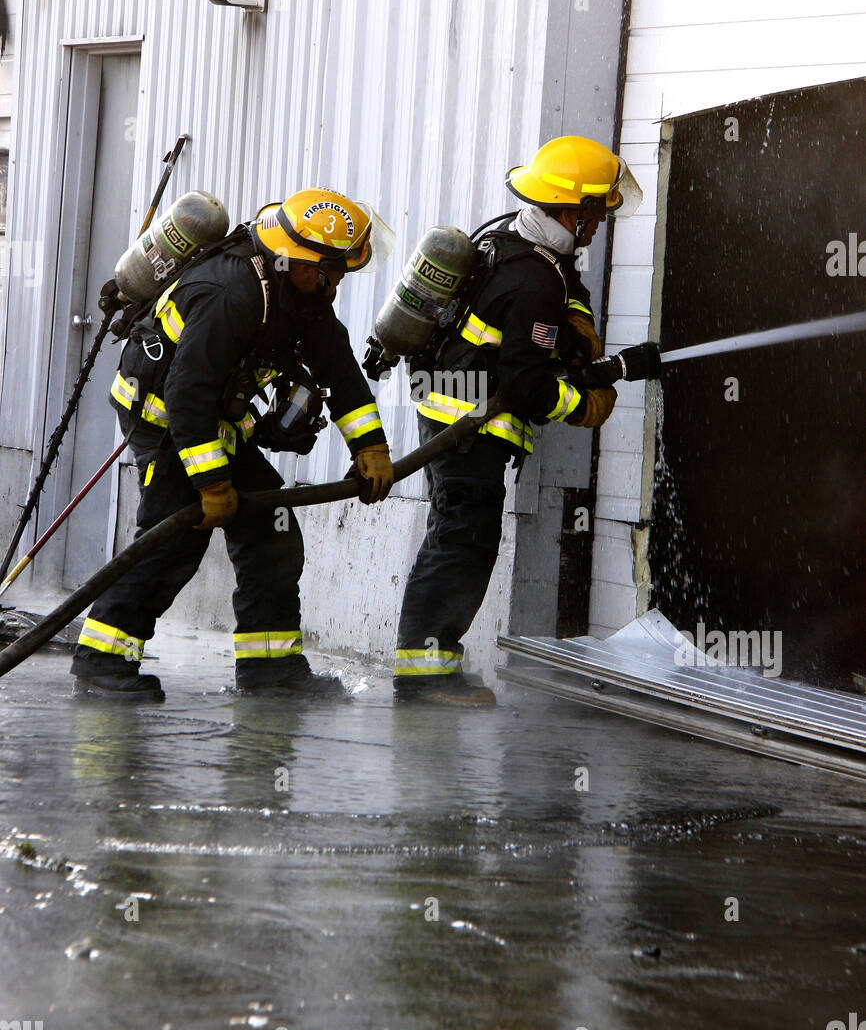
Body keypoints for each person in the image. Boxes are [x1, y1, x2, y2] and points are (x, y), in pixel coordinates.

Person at [71, 189, 395, 702]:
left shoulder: (298, 294)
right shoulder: (234, 294)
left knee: (272, 532)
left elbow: (340, 372)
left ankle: (271, 672)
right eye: (334, 271)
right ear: (304, 263)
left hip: (212, 421)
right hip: (163, 419)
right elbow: (186, 393)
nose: (338, 284)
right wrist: (212, 483)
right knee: (173, 537)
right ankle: (102, 660)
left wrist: (371, 448)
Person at [395, 135, 642, 707]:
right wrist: (585, 404)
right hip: (469, 428)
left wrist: (580, 339)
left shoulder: (518, 243)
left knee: (458, 534)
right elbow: (528, 386)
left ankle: (427, 667)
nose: (600, 224)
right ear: (569, 211)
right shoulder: (535, 280)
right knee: (462, 539)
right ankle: (423, 676)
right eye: (596, 212)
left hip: (447, 408)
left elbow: (562, 298)